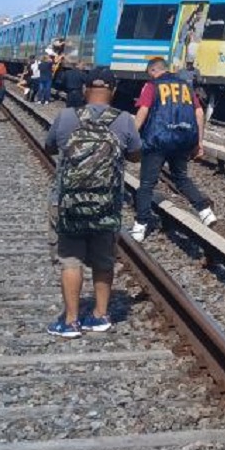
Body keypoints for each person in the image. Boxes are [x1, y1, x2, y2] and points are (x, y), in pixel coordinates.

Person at [42, 74, 140, 337]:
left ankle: (71, 320)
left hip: (67, 203)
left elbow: (49, 147)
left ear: (85, 89)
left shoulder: (66, 117)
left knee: (70, 261)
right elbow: (136, 154)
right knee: (103, 260)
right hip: (107, 204)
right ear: (114, 90)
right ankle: (100, 315)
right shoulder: (125, 120)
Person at [130, 56, 216, 242]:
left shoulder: (152, 86)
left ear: (153, 71)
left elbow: (143, 111)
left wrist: (132, 136)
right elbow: (199, 112)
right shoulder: (185, 86)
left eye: (149, 74)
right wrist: (199, 142)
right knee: (181, 178)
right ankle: (204, 210)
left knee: (146, 184)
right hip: (182, 140)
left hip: (157, 140)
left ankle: (140, 225)